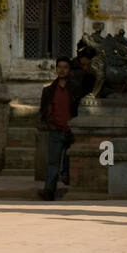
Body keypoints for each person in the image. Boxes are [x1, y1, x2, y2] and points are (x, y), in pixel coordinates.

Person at [39, 57, 81, 201]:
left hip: (72, 131)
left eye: (65, 67)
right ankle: (49, 190)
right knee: (53, 163)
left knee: (69, 163)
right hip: (56, 130)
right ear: (56, 69)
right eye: (60, 67)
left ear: (69, 70)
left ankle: (70, 184)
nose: (62, 70)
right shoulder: (49, 91)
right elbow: (43, 111)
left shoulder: (76, 89)